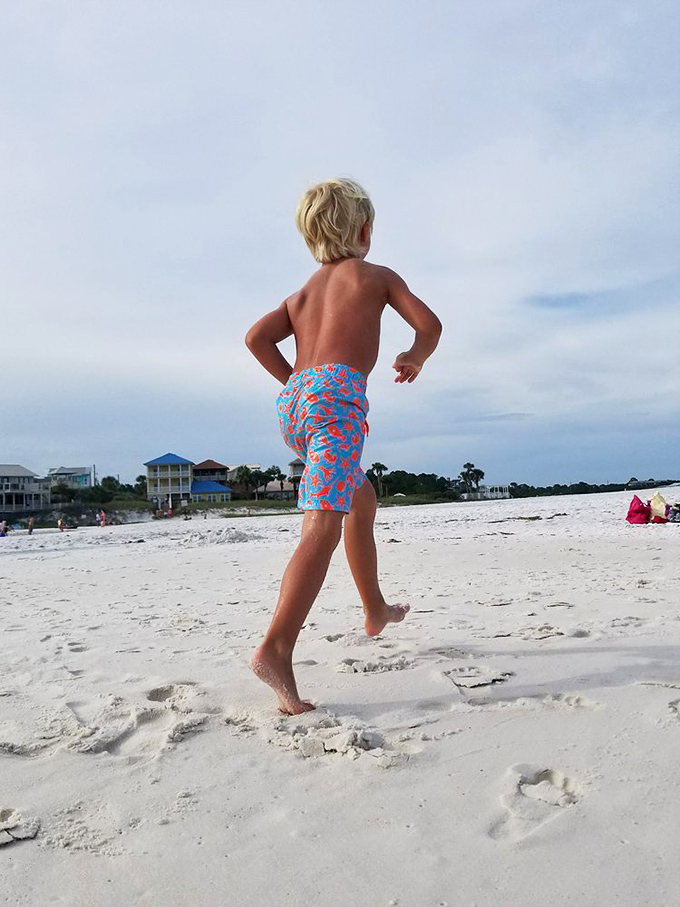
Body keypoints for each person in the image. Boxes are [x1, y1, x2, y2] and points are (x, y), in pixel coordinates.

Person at [245, 178, 442, 714]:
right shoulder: (376, 276)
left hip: (298, 404)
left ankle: (374, 607)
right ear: (364, 229)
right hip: (336, 399)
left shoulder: (302, 294)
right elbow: (431, 324)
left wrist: (294, 382)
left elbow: (255, 339)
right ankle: (276, 647)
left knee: (360, 496)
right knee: (324, 521)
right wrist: (415, 354)